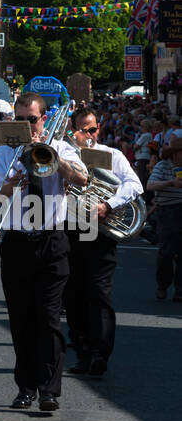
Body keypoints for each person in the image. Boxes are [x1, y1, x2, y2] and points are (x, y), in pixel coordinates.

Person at [0, 93, 88, 412]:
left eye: (32, 120)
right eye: (20, 120)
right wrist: (14, 180)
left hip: (52, 241)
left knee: (49, 318)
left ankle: (49, 389)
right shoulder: (5, 153)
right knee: (22, 320)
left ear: (43, 119)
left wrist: (55, 157)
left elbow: (83, 179)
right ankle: (25, 387)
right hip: (17, 242)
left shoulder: (62, 147)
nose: (27, 127)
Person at [65, 105, 144, 374]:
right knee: (73, 296)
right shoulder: (66, 156)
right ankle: (83, 352)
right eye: (84, 129)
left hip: (101, 234)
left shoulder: (114, 155)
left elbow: (135, 185)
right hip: (71, 232)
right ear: (74, 130)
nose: (90, 134)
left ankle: (100, 353)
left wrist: (107, 205)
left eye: (93, 128)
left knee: (99, 295)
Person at [146, 137, 182, 303]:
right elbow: (150, 185)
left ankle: (180, 290)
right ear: (174, 154)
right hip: (167, 210)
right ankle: (162, 285)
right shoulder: (163, 165)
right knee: (166, 252)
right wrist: (170, 183)